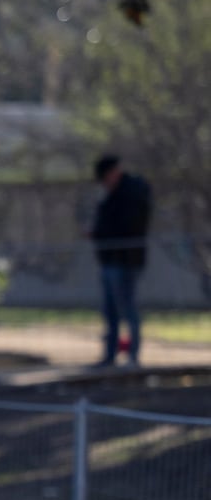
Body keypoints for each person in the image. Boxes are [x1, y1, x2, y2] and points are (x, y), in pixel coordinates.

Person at [88, 154, 154, 368]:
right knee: (110, 310)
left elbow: (129, 225)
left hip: (126, 259)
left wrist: (100, 233)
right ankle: (110, 354)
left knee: (127, 307)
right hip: (110, 259)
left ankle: (132, 355)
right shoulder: (110, 195)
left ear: (113, 173)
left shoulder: (132, 192)